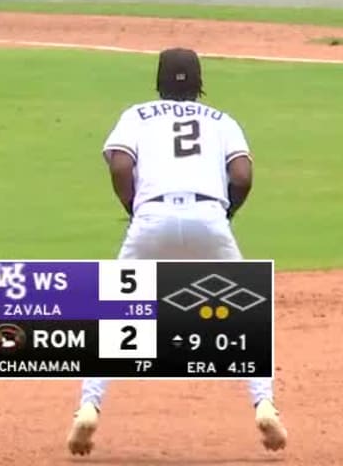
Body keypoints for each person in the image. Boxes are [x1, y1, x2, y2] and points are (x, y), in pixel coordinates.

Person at [65, 47, 286, 457]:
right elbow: (242, 175)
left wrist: (134, 209)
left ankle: (88, 407)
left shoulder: (136, 115)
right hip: (209, 217)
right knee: (246, 312)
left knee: (111, 310)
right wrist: (224, 214)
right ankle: (265, 404)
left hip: (151, 216)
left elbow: (118, 166)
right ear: (201, 83)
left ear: (158, 82)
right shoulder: (223, 121)